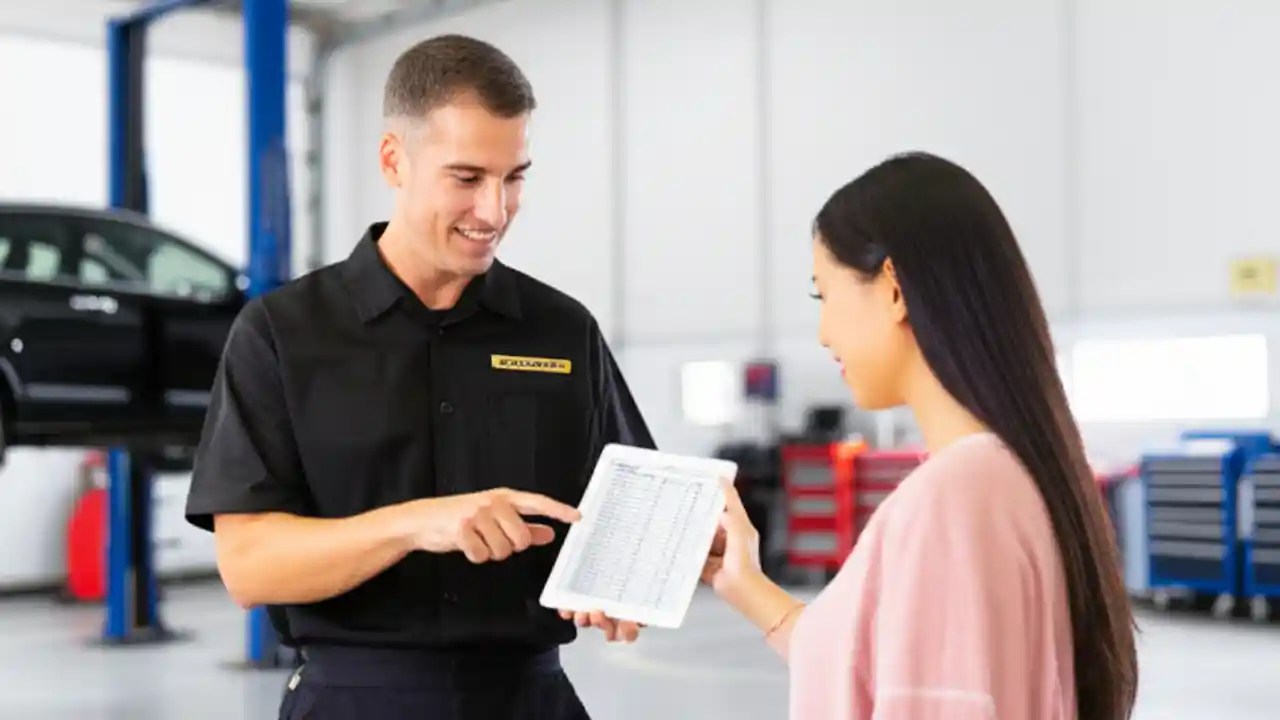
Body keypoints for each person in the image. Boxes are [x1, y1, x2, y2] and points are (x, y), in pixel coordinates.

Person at [184, 34, 654, 720]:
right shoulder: (283, 333)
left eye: (514, 176)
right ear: (393, 161)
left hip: (531, 699)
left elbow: (629, 516)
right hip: (352, 701)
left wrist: (638, 570)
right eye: (466, 178)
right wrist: (415, 525)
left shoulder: (561, 331)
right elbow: (250, 566)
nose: (495, 211)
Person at [702, 152, 1139, 720]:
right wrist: (747, 585)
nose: (823, 332)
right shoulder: (1013, 473)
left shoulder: (953, 498)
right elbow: (869, 663)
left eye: (824, 295)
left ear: (893, 289)